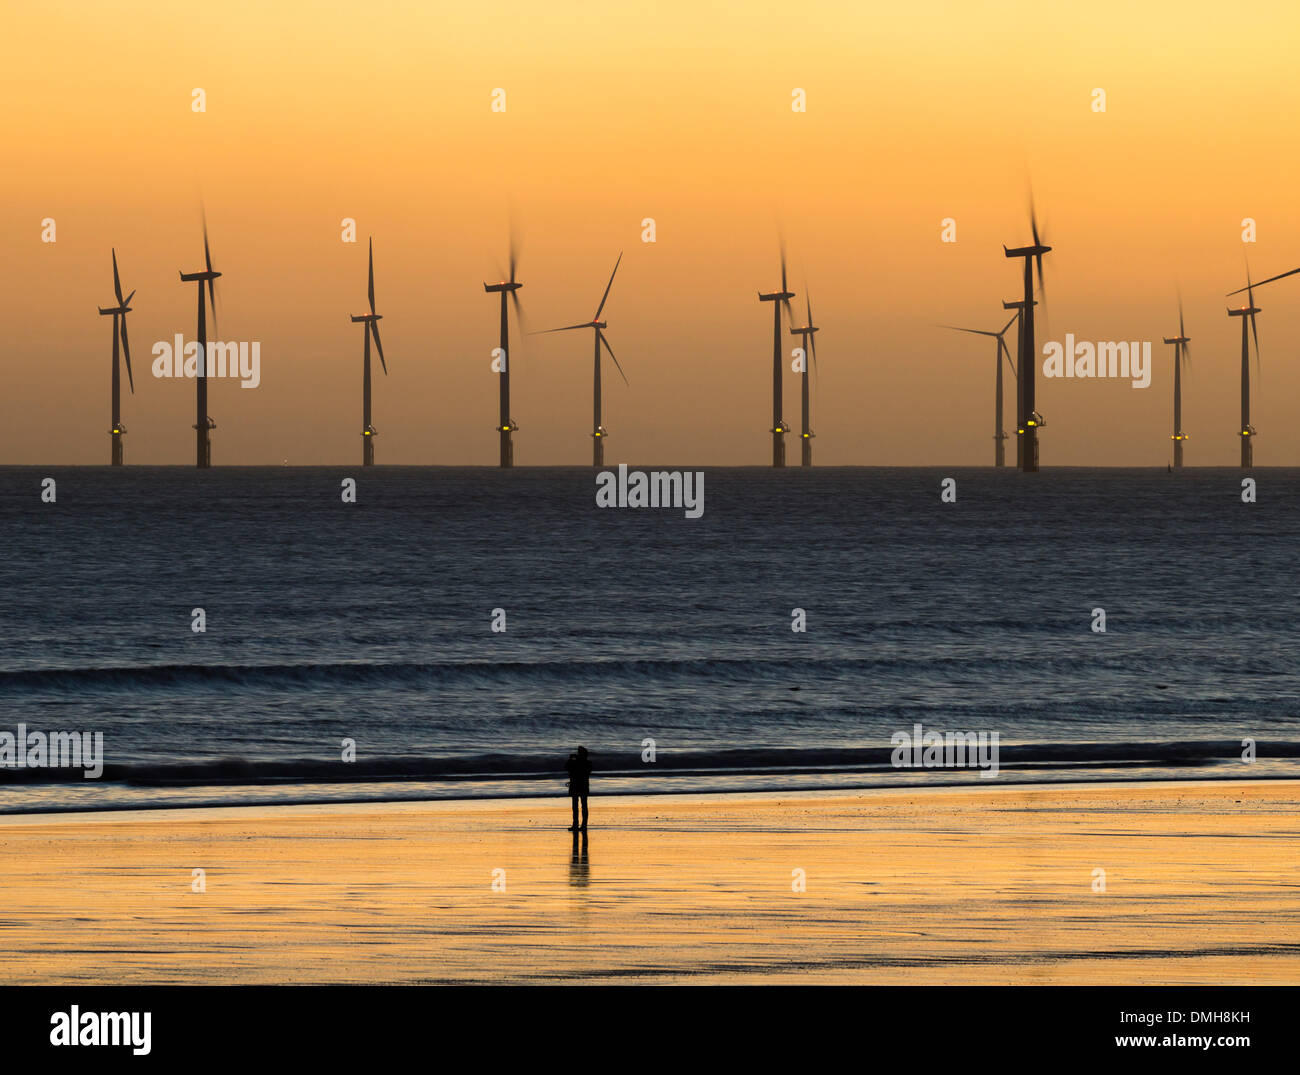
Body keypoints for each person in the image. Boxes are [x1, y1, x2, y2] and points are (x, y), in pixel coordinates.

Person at [565, 746, 593, 831]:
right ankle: (579, 825)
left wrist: (571, 759)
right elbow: (567, 767)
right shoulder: (586, 763)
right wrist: (571, 760)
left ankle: (579, 825)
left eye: (579, 752)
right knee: (580, 805)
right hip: (581, 785)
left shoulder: (583, 763)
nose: (578, 754)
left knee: (579, 805)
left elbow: (567, 768)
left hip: (578, 785)